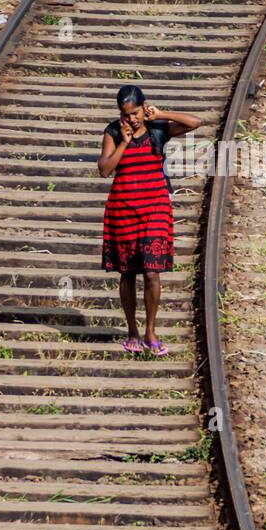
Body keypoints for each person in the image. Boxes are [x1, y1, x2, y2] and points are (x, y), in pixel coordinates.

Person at [98, 85, 201, 355]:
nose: (130, 119)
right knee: (128, 272)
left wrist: (161, 114)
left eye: (134, 113)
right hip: (123, 208)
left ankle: (150, 330)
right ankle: (132, 330)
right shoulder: (112, 132)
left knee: (152, 271)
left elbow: (195, 123)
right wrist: (123, 141)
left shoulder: (158, 129)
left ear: (144, 107)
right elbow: (104, 170)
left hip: (155, 206)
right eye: (125, 114)